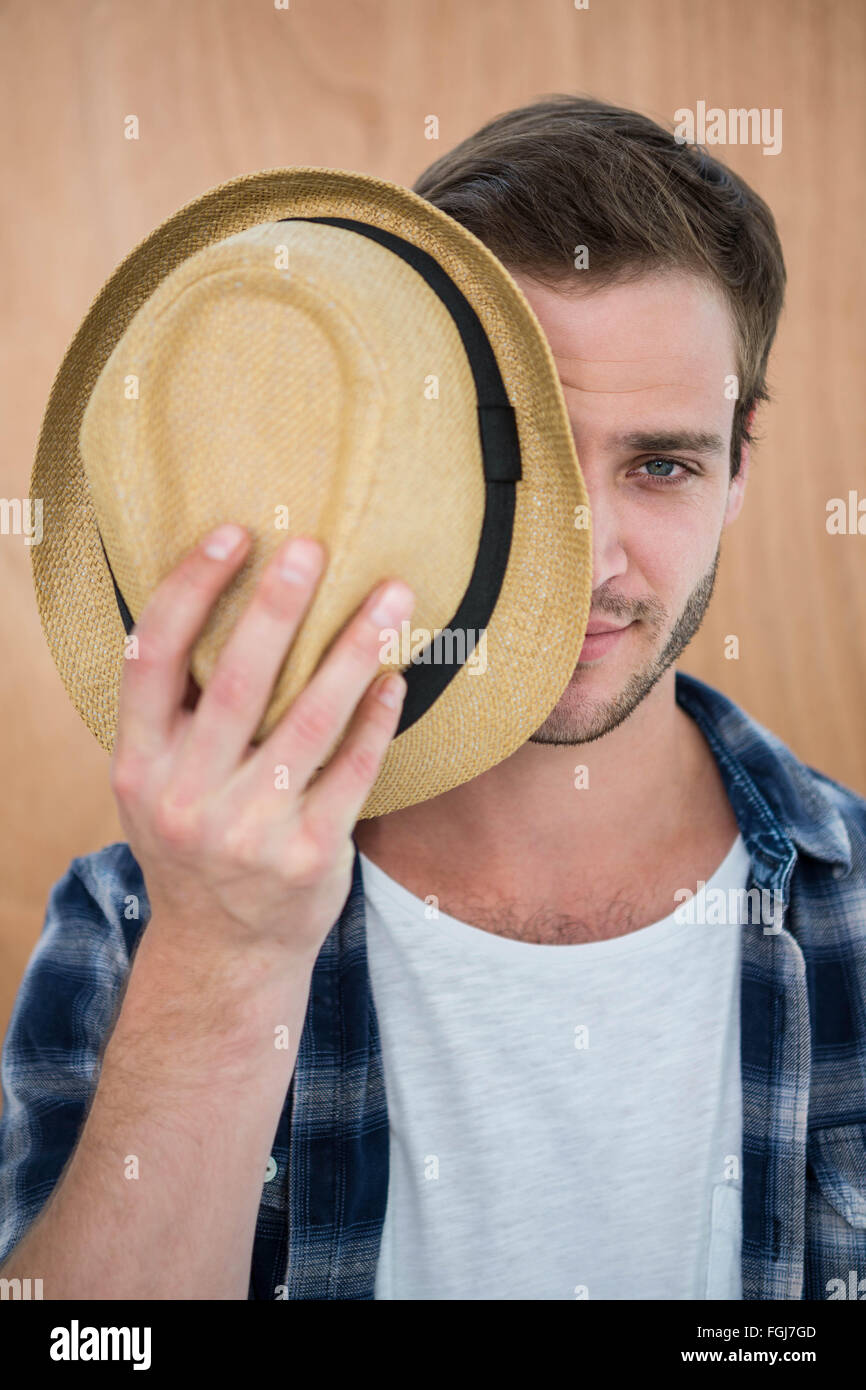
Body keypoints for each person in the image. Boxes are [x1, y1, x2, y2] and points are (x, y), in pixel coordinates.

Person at [1, 95, 864, 1302]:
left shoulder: (856, 912)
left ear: (738, 464)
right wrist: (223, 958)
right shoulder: (142, 924)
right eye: (531, 457)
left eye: (662, 464)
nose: (597, 559)